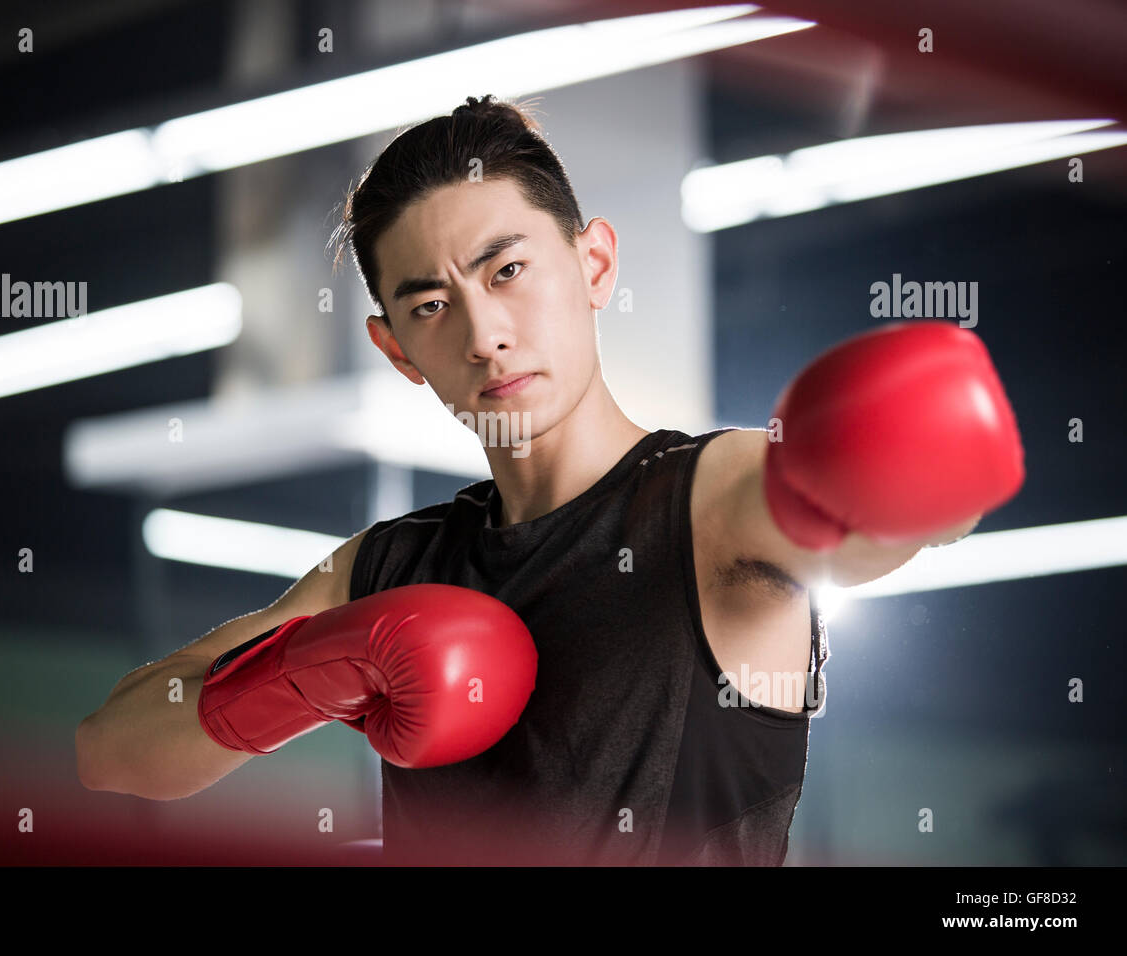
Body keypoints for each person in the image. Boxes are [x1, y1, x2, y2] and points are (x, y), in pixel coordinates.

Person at [77, 94, 1023, 866]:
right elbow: (111, 751)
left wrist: (928, 471)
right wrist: (310, 668)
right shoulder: (390, 566)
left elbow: (867, 528)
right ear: (397, 350)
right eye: (432, 305)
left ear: (595, 262)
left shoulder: (709, 498)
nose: (483, 333)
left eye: (510, 269)